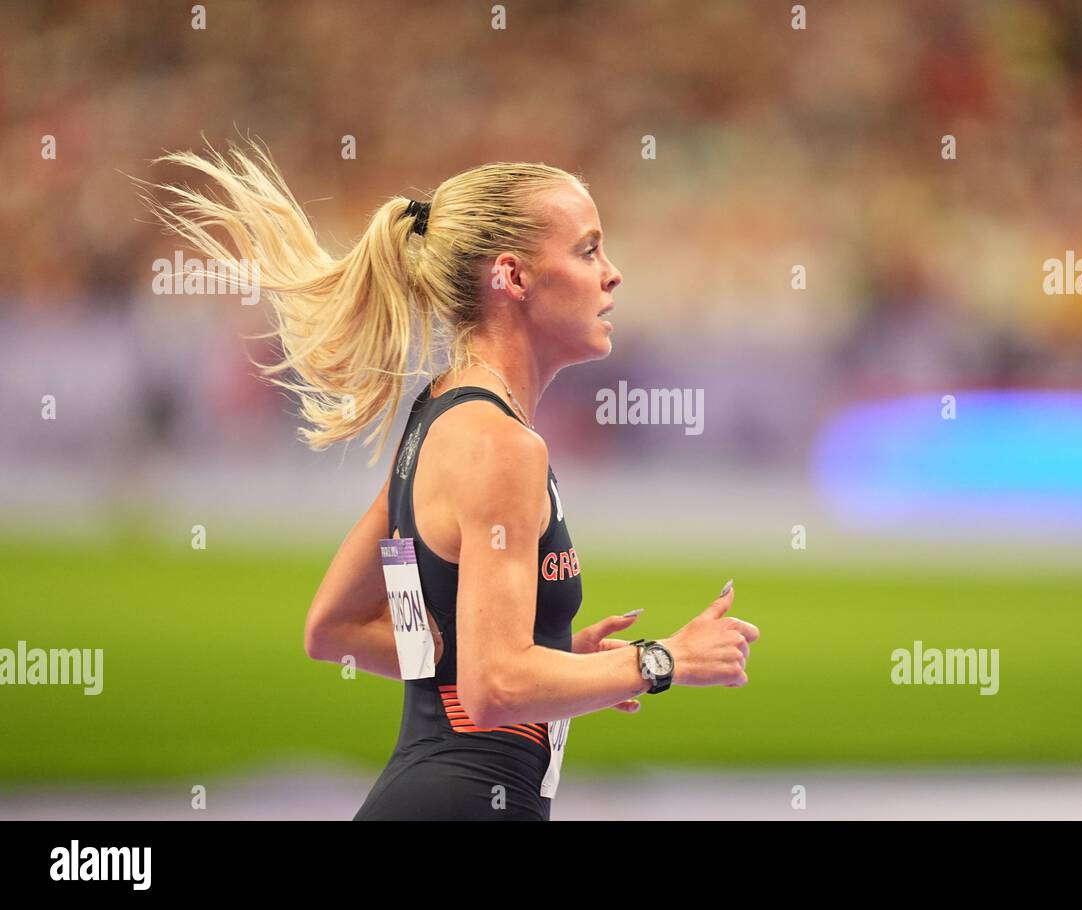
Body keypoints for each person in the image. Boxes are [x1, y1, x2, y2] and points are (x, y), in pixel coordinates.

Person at [134, 138, 761, 820]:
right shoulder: (501, 447)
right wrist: (664, 659)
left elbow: (335, 628)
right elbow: (493, 689)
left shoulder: (437, 414)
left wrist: (546, 657)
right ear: (513, 277)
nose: (612, 274)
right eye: (587, 250)